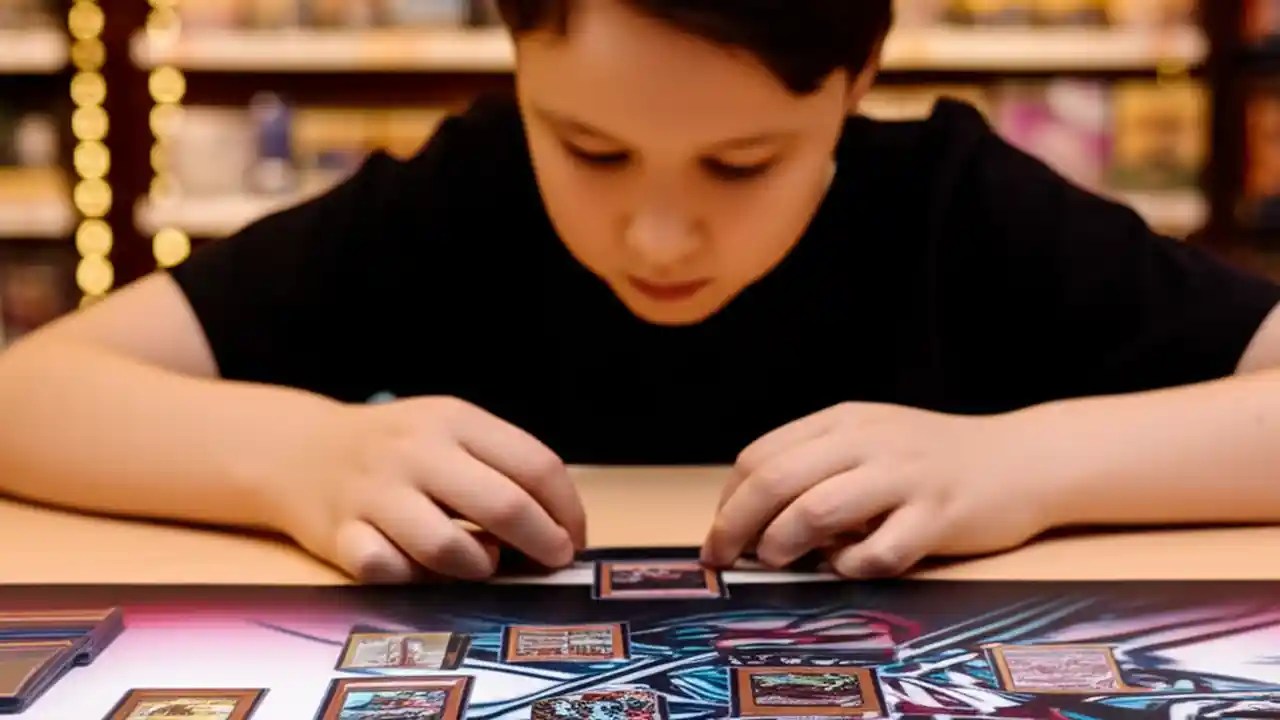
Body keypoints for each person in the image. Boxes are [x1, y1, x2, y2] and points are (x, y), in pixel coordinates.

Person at [2, 0, 1280, 584]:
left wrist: (1022, 467)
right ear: (515, 52)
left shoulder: (956, 203)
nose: (658, 233)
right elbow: (29, 395)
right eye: (592, 150)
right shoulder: (454, 202)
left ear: (854, 80)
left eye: (742, 163)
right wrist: (301, 454)